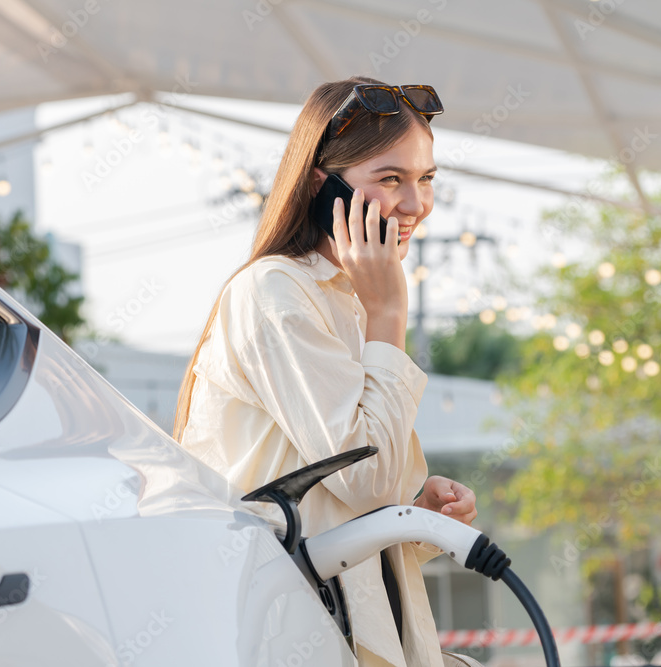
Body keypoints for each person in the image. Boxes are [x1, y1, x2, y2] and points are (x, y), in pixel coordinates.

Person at [173, 76, 479, 667]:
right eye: (390, 179)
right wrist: (390, 312)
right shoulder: (275, 292)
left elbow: (356, 501)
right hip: (295, 637)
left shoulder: (351, 298)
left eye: (426, 179)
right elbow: (361, 478)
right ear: (324, 186)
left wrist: (417, 510)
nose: (416, 205)